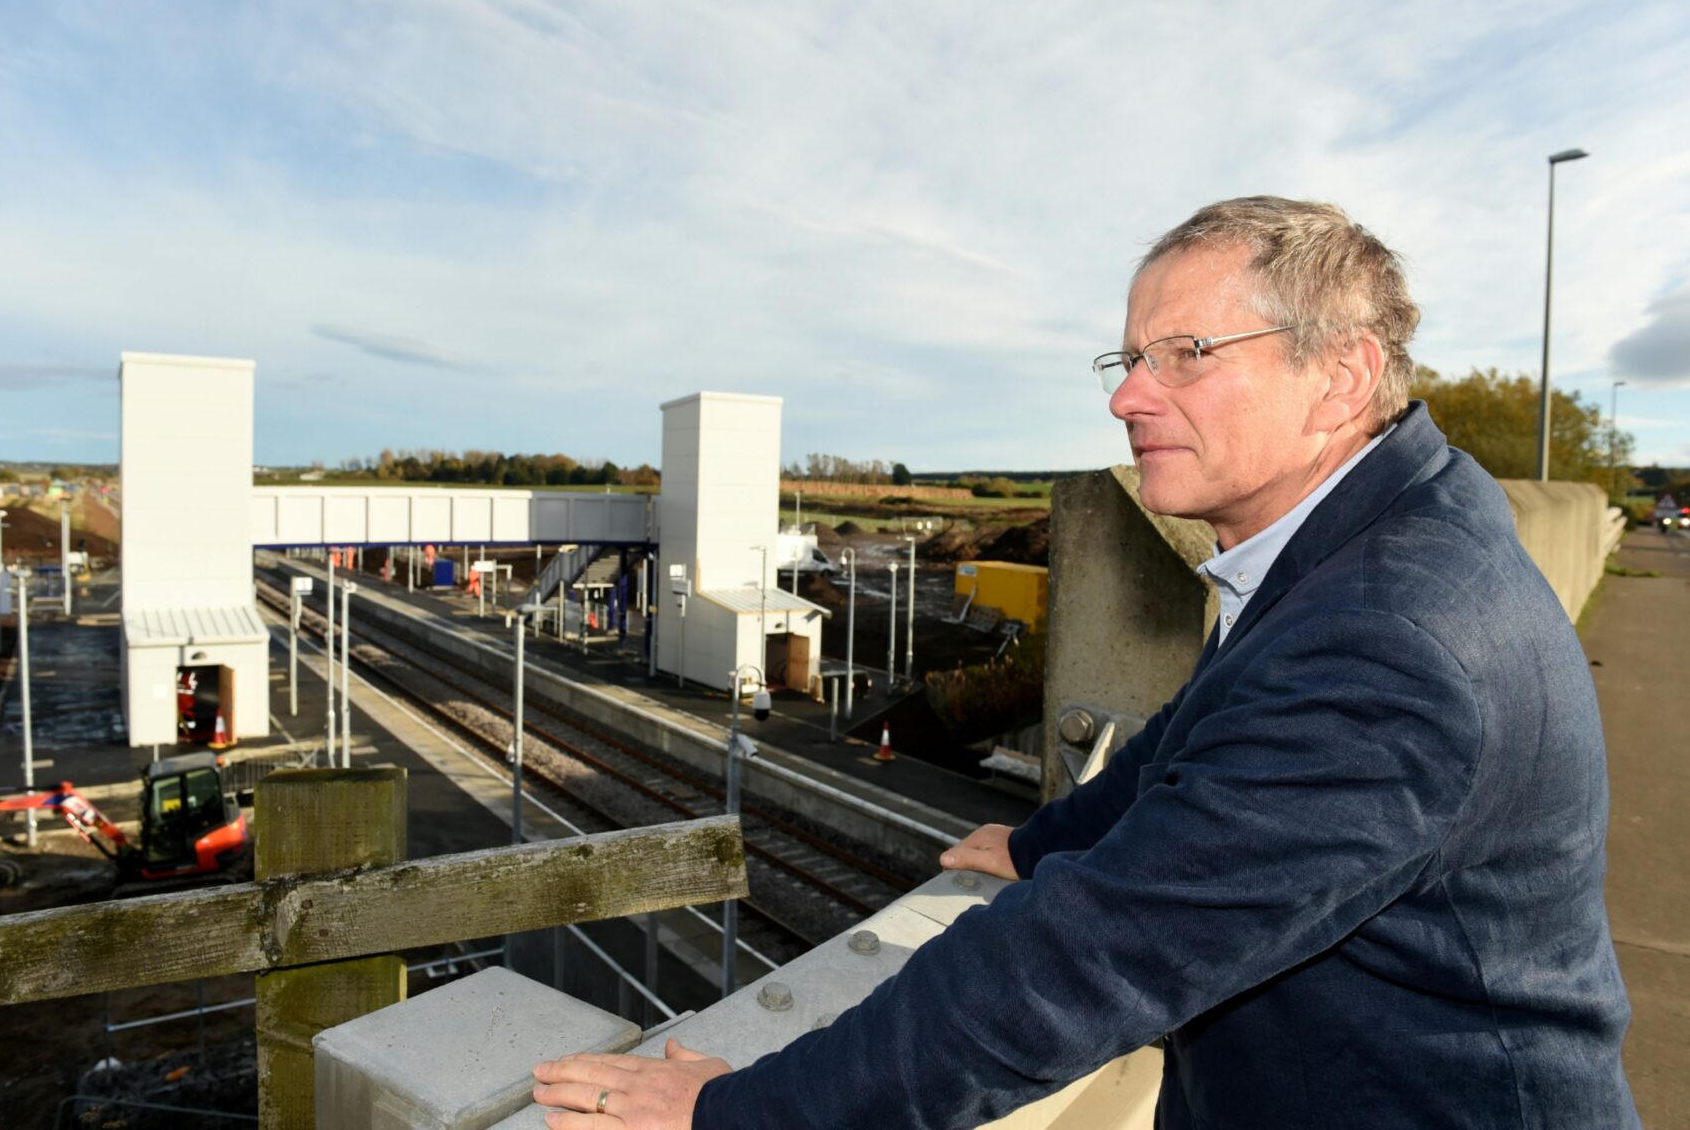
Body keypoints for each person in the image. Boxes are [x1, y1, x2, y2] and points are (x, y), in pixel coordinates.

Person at [534, 197, 1639, 1128]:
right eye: (1128, 359)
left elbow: (1082, 961)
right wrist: (1045, 836)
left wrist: (742, 1112)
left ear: (1341, 377)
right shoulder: (1371, 536)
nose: (1124, 397)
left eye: (1187, 356)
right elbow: (1205, 725)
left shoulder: (1390, 638)